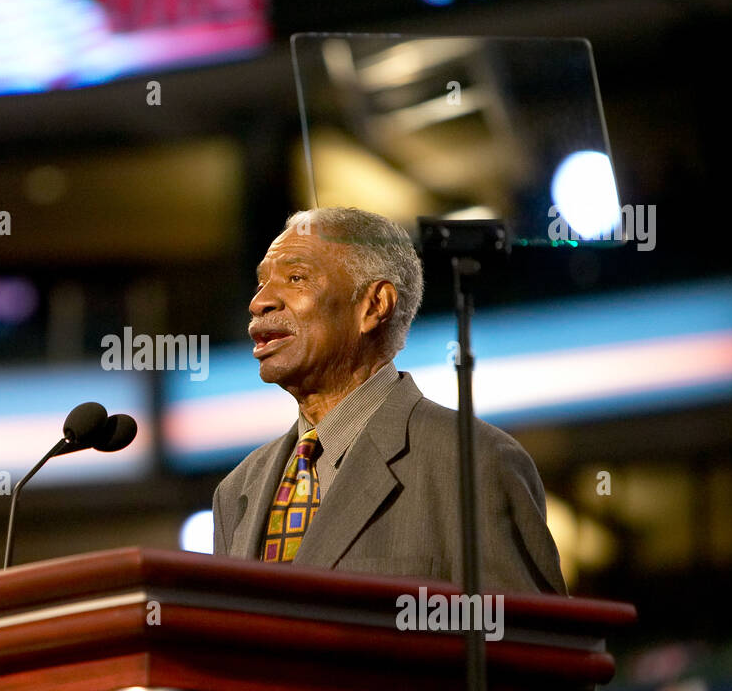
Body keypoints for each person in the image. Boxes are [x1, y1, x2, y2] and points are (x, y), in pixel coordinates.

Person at [212, 207, 567, 595]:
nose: (259, 302)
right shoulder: (236, 491)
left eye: (295, 278)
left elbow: (529, 645)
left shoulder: (474, 463)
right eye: (261, 283)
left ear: (374, 306)